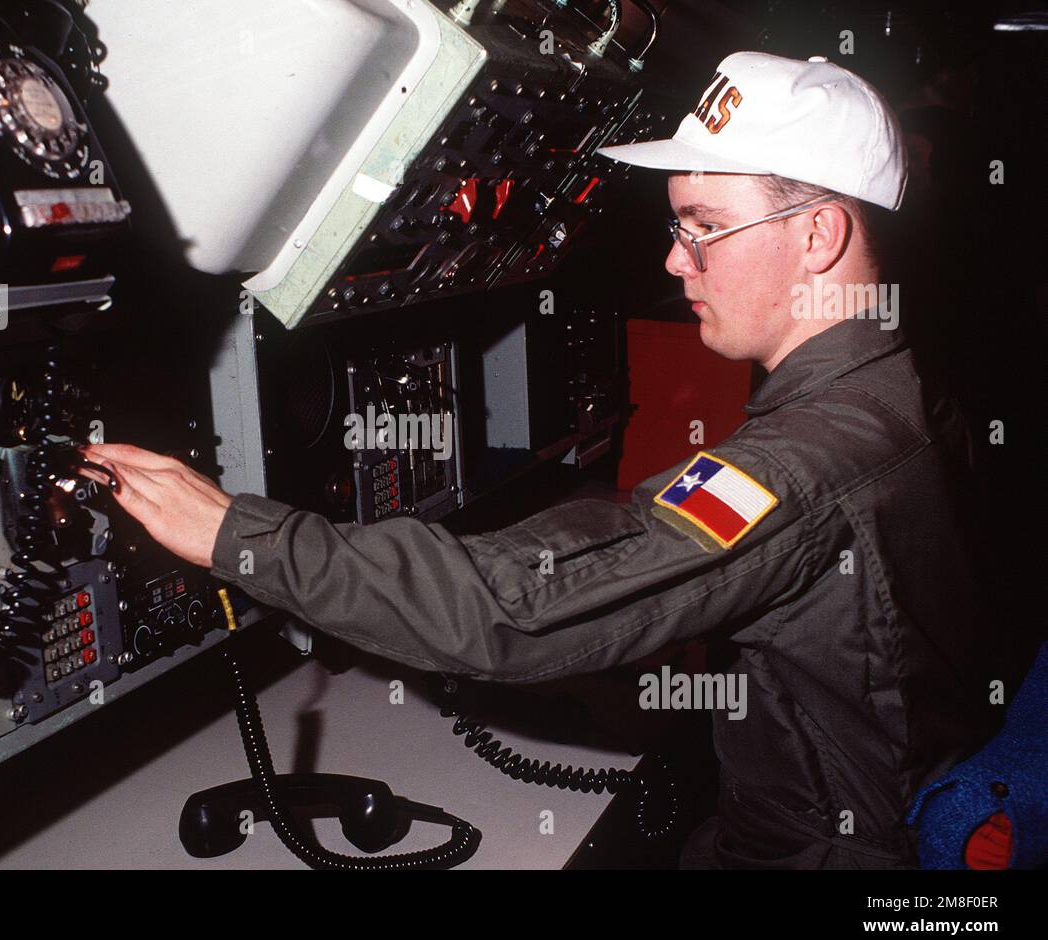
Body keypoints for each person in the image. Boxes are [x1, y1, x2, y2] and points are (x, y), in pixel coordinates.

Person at [79, 52, 1002, 868]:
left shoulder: (806, 461)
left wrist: (238, 534)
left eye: (702, 226)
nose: (677, 263)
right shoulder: (904, 389)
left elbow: (519, 606)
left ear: (817, 237)